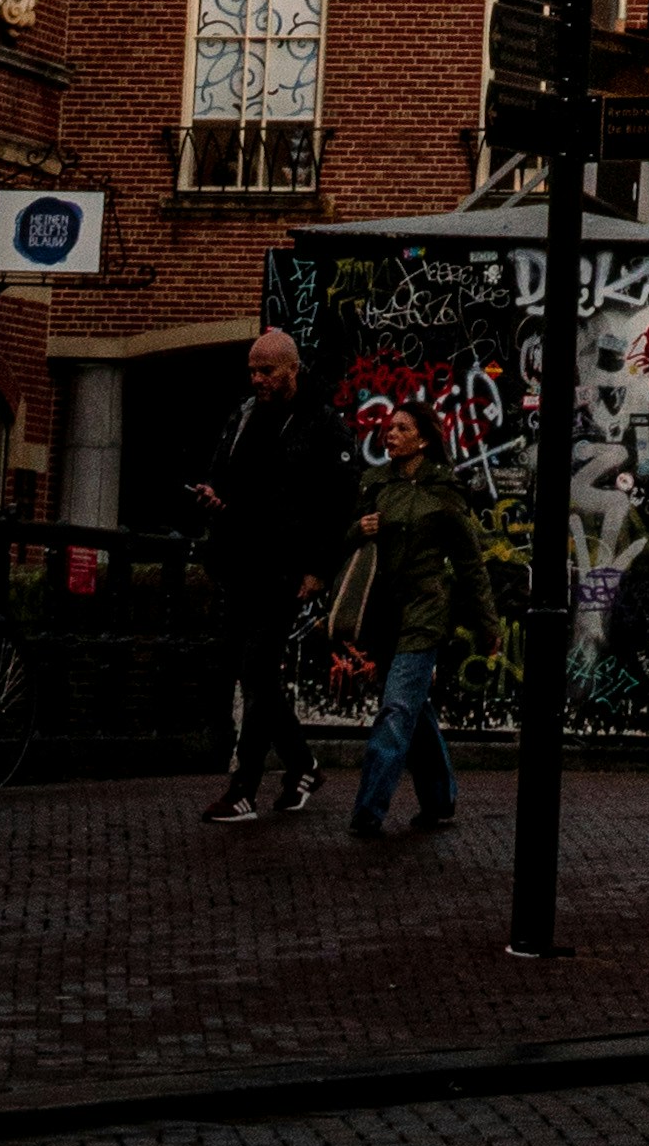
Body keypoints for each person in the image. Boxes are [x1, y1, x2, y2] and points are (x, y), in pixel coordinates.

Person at [189, 323, 357, 826]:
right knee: (252, 671)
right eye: (252, 371)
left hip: (284, 568)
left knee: (259, 669)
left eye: (266, 370)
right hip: (240, 560)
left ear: (292, 370)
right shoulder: (244, 417)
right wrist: (215, 496)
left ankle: (244, 789)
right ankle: (303, 764)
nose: (257, 379)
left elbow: (340, 502)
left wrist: (319, 568)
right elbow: (226, 473)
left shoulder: (324, 425)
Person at [329, 398, 495, 843]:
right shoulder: (373, 482)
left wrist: (488, 625)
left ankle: (368, 810)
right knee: (413, 707)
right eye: (388, 427)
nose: (390, 434)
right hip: (384, 612)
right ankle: (439, 800)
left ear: (422, 438)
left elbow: (469, 563)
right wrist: (357, 530)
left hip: (426, 610)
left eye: (401, 428)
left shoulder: (444, 490)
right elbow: (341, 542)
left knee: (397, 707)